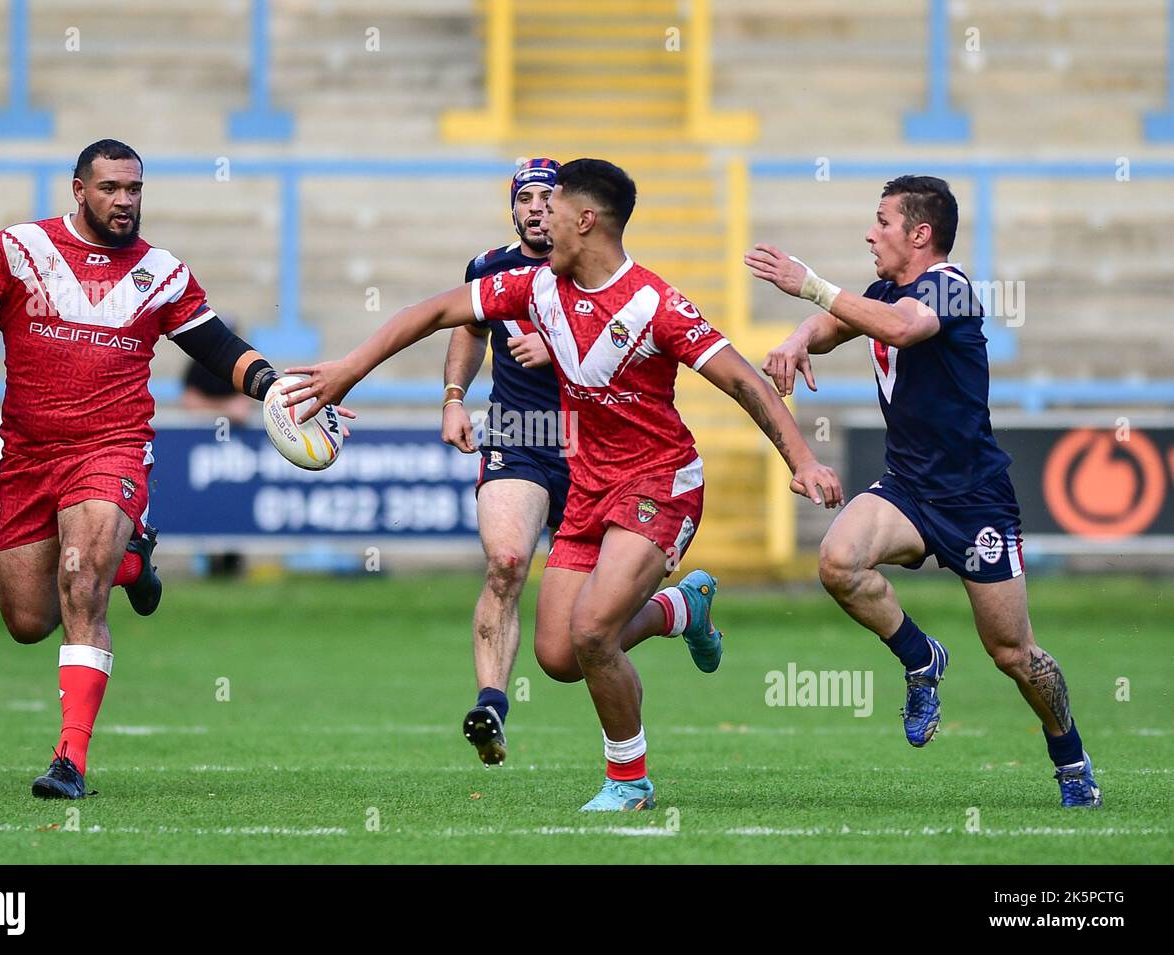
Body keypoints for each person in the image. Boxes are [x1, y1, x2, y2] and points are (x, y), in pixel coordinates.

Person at [281, 158, 842, 811]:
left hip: (660, 482)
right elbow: (433, 311)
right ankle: (682, 610)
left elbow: (746, 381)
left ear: (586, 220)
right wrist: (349, 370)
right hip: (589, 487)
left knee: (593, 632)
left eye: (556, 207)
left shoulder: (657, 305)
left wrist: (802, 459)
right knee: (558, 654)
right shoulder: (534, 286)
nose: (540, 216)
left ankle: (629, 782)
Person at [0, 139, 351, 800]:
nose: (124, 201)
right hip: (29, 457)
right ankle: (134, 559)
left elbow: (219, 349)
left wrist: (278, 389)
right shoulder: (21, 250)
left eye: (133, 189)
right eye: (110, 188)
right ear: (78, 189)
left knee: (79, 579)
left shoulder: (163, 273)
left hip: (111, 448)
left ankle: (70, 760)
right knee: (27, 620)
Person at [747, 174, 1101, 808]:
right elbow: (841, 322)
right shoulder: (888, 291)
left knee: (1013, 653)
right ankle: (921, 658)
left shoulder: (950, 289)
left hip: (975, 501)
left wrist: (810, 283)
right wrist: (799, 337)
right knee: (837, 561)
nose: (868, 232)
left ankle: (1070, 756)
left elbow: (902, 329)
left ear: (920, 233)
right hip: (909, 488)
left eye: (881, 222)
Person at [442, 158, 569, 765]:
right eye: (528, 198)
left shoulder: (596, 268)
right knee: (507, 562)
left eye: (549, 197)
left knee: (582, 628)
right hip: (517, 432)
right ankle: (491, 703)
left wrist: (560, 348)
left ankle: (680, 611)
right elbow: (468, 327)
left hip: (590, 440)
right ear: (513, 207)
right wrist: (453, 398)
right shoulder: (488, 267)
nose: (537, 207)